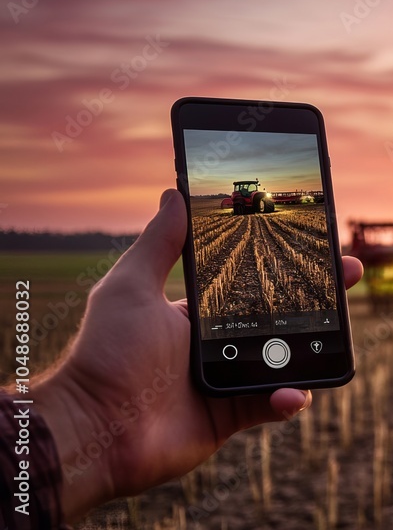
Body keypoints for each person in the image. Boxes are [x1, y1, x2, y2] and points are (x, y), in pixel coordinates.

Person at [0, 189, 363, 528]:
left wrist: (95, 421)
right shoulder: (242, 202)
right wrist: (94, 413)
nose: (245, 197)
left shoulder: (259, 200)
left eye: (248, 193)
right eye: (243, 193)